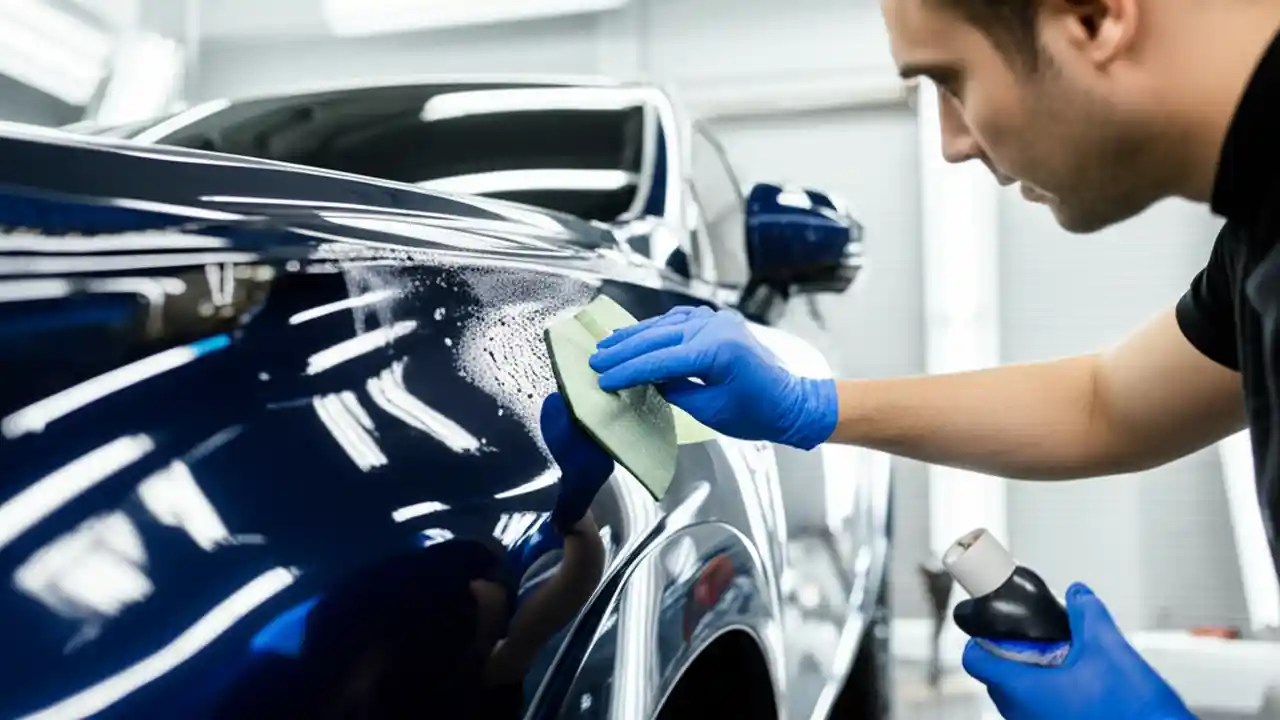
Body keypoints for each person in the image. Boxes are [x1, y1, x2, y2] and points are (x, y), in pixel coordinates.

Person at [586, 1, 1280, 717]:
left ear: (1094, 18)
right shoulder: (1256, 241)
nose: (952, 142)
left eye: (951, 81)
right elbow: (1106, 404)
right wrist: (807, 404)